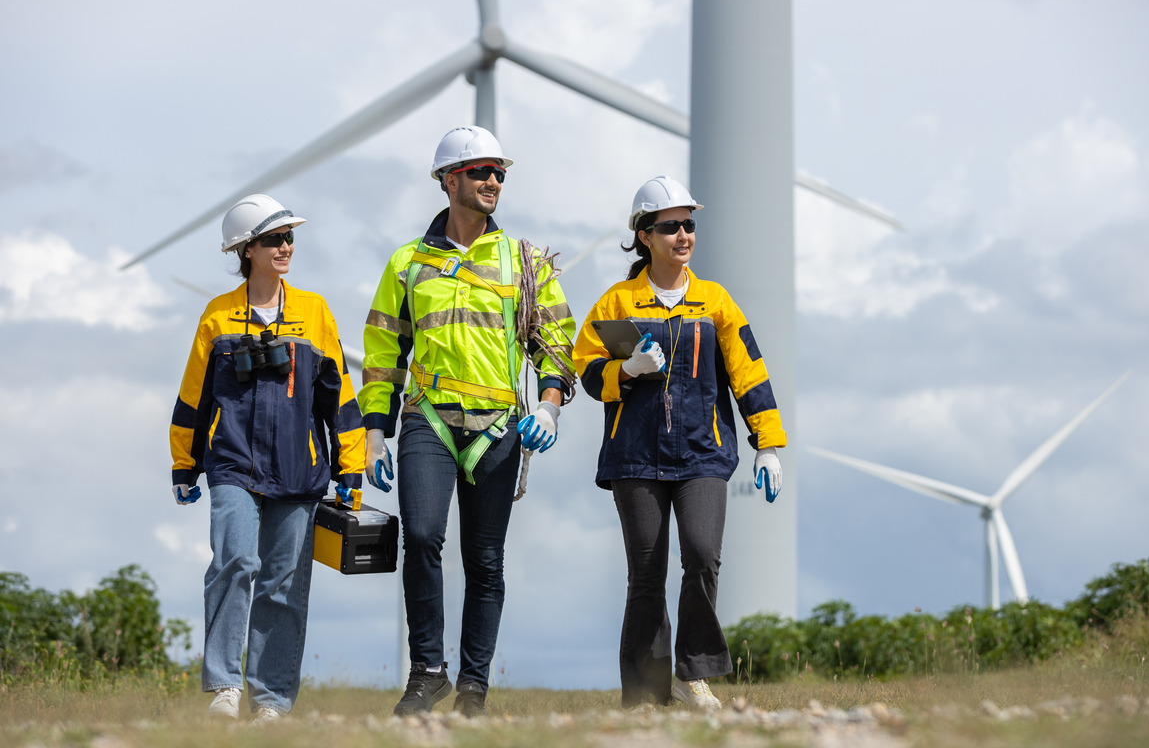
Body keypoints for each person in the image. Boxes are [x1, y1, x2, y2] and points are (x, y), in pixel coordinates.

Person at [358, 126, 576, 718]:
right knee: (423, 537)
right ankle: (427, 671)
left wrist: (551, 409)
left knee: (485, 560)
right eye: (481, 172)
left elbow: (556, 343)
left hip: (499, 425)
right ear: (449, 180)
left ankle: (474, 687)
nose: (493, 182)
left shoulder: (526, 261)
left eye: (499, 173)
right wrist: (374, 431)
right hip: (427, 416)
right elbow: (382, 350)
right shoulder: (408, 262)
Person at [572, 176, 786, 711]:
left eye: (690, 225)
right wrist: (626, 369)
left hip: (702, 454)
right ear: (644, 235)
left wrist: (769, 443)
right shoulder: (618, 302)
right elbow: (587, 374)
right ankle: (646, 694)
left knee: (702, 556)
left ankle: (696, 674)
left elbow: (749, 374)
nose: (684, 235)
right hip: (635, 457)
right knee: (645, 574)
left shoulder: (715, 302)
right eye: (671, 227)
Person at [169, 194, 367, 722]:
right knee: (235, 561)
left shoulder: (315, 312)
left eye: (289, 237)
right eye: (273, 239)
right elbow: (193, 397)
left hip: (299, 472)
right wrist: (183, 464)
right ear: (246, 249)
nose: (285, 246)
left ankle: (272, 702)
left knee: (283, 586)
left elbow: (339, 398)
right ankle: (224, 688)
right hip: (231, 465)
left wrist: (352, 469)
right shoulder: (217, 316)